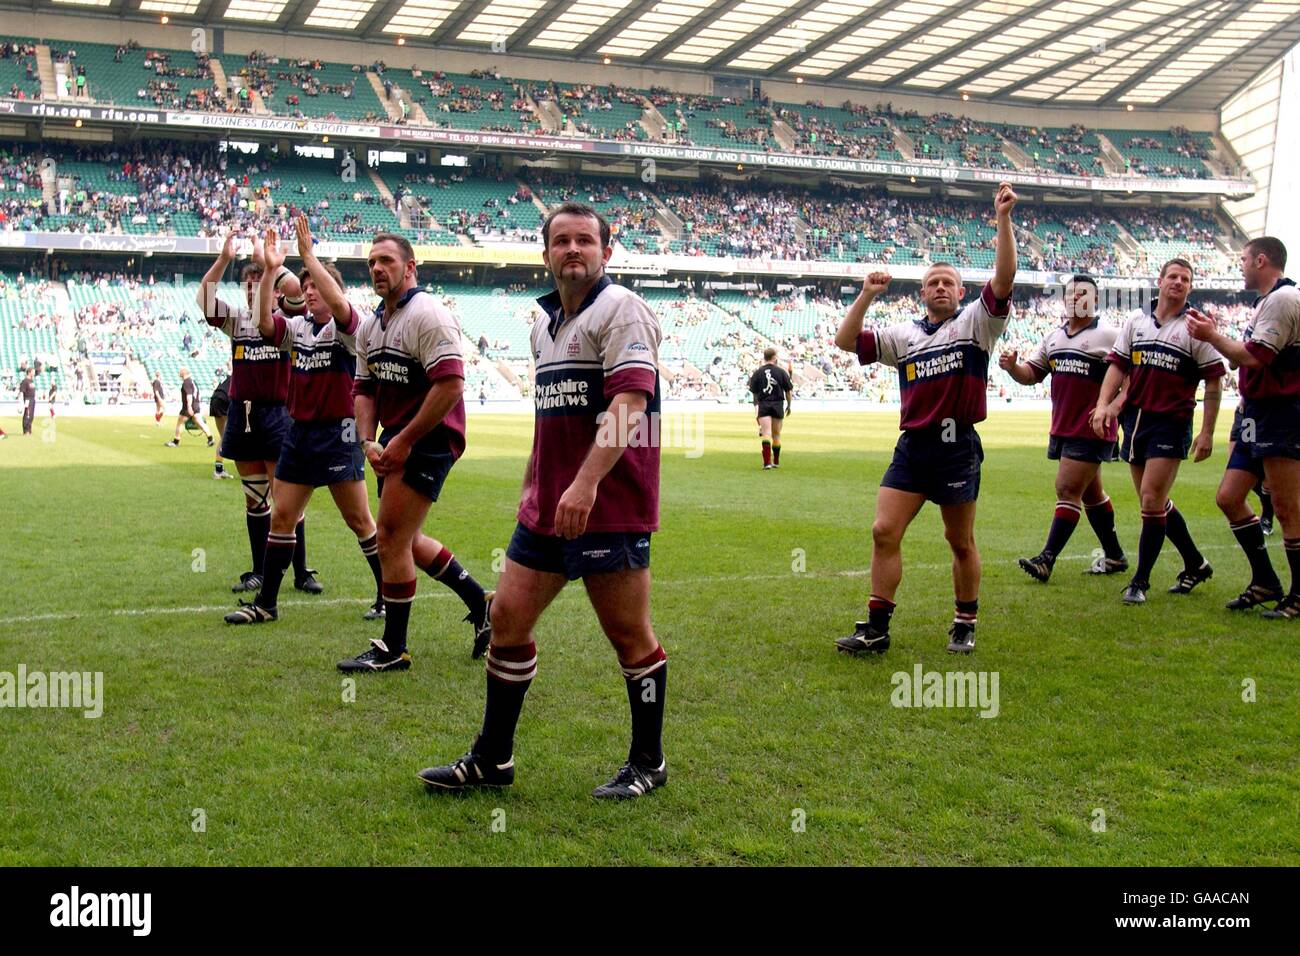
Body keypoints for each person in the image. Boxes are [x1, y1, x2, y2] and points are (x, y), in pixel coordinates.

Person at [418, 202, 668, 799]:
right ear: (547, 253)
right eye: (562, 241)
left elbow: (630, 406)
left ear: (606, 251)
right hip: (549, 507)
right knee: (506, 620)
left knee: (628, 635)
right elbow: (554, 419)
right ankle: (493, 759)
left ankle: (649, 762)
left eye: (586, 240)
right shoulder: (542, 321)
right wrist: (541, 486)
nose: (574, 250)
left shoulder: (623, 310)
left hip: (608, 504)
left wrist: (585, 484)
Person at [832, 182, 1018, 656]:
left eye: (947, 282)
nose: (940, 287)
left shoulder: (976, 323)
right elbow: (845, 341)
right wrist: (867, 295)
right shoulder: (903, 335)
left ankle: (964, 620)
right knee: (883, 531)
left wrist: (1002, 219)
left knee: (959, 540)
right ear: (922, 293)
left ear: (960, 292)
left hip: (957, 450)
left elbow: (1003, 279)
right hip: (914, 447)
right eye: (932, 282)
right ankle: (876, 628)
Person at [337, 231, 491, 671]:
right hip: (394, 438)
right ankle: (480, 604)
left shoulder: (429, 314)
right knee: (405, 537)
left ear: (410, 268)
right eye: (371, 263)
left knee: (389, 537)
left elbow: (451, 385)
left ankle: (394, 649)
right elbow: (363, 389)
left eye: (386, 260)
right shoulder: (371, 324)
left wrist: (402, 441)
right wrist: (369, 440)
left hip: (430, 437)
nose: (377, 269)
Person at [226, 218, 385, 625]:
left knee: (359, 521)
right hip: (299, 433)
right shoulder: (296, 328)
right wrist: (267, 273)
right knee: (282, 516)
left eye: (316, 285)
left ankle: (388, 594)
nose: (310, 291)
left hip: (338, 433)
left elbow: (343, 310)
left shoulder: (352, 328)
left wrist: (310, 257)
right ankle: (267, 604)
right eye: (307, 286)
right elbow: (264, 324)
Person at [1091, 258, 1225, 604]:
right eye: (1173, 277)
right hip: (1135, 422)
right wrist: (1105, 404)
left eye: (1185, 279)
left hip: (1172, 421)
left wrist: (1208, 431)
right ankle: (1196, 563)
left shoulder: (1197, 327)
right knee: (1155, 502)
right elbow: (1118, 365)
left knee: (1150, 500)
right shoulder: (1136, 320)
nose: (1178, 282)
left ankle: (1140, 581)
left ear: (1190, 287)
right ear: (1160, 281)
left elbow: (1213, 378)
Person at [198, 235, 321, 596]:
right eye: (249, 287)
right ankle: (257, 571)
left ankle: (301, 572)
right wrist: (223, 259)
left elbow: (297, 288)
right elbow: (204, 300)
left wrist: (271, 265)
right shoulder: (236, 321)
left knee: (287, 502)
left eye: (260, 286)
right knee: (255, 498)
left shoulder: (287, 319)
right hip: (243, 415)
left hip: (278, 415)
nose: (254, 293)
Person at [1188, 236, 1300, 617]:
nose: (1239, 265)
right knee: (1229, 497)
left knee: (1287, 508)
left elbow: (1255, 359)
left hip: (1282, 412)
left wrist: (1211, 336)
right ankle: (1266, 580)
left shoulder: (1284, 299)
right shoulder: (1265, 303)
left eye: (1243, 259)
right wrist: (1218, 334)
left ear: (1262, 260)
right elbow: (1242, 360)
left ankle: (1299, 596)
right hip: (1256, 412)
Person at [999, 275, 1128, 580]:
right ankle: (1115, 556)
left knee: (1067, 489)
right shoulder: (1054, 337)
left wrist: (1110, 407)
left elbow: (1132, 378)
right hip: (1063, 427)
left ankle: (1046, 559)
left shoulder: (1110, 335)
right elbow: (1032, 374)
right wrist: (1013, 367)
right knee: (1091, 494)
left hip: (1092, 428)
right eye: (1070, 294)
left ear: (1095, 300)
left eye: (1083, 294)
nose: (1075, 299)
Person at [748, 347, 793, 469]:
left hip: (764, 404)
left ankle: (767, 462)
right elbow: (788, 391)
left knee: (766, 434)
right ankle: (776, 461)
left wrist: (756, 410)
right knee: (776, 435)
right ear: (774, 357)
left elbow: (754, 395)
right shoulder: (781, 372)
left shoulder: (757, 373)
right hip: (778, 404)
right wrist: (789, 405)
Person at [164, 367, 214, 447]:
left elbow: (189, 395)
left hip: (189, 406)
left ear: (184, 372)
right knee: (200, 422)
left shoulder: (186, 382)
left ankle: (175, 442)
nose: (179, 372)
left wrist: (189, 407)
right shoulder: (192, 381)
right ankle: (210, 439)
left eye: (180, 371)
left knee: (180, 422)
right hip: (196, 405)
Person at [209, 369, 234, 479]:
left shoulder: (229, 377)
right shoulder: (241, 376)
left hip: (215, 399)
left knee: (223, 437)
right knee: (230, 436)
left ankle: (218, 470)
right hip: (225, 400)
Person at [19, 368, 35, 435]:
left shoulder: (31, 381)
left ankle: (29, 429)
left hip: (32, 399)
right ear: (29, 372)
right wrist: (20, 403)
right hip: (27, 399)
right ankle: (26, 430)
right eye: (33, 372)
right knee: (27, 415)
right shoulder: (25, 381)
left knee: (31, 415)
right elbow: (22, 392)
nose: (34, 373)